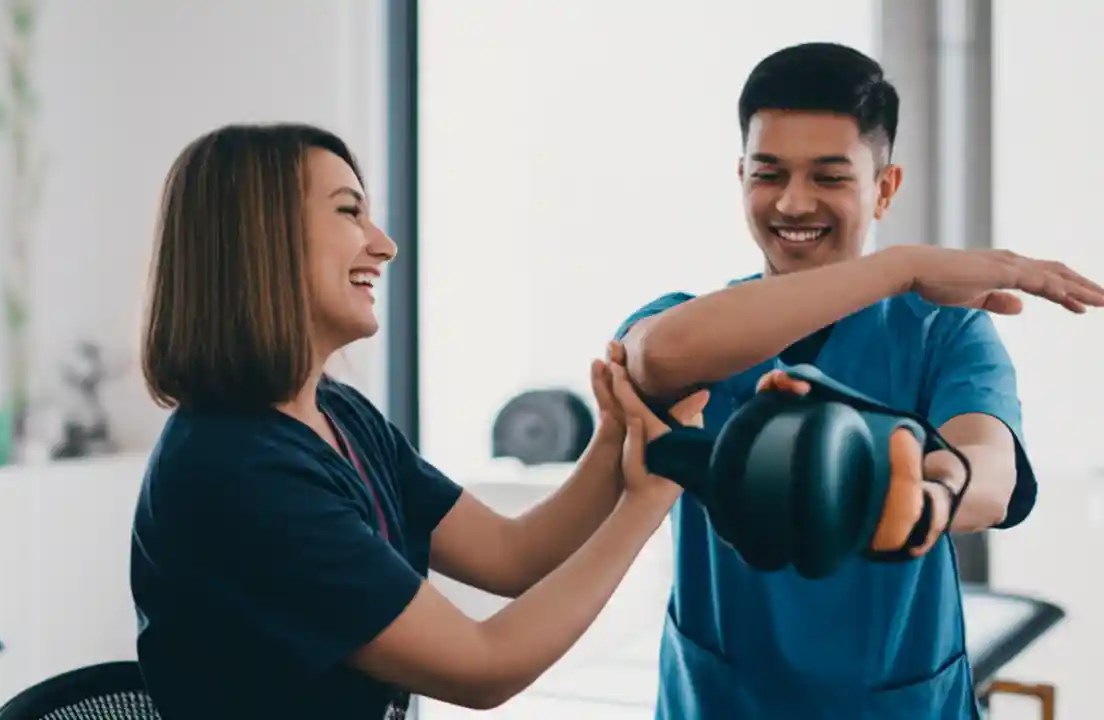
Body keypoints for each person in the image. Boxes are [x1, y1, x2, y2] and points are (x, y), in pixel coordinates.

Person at [129, 123, 704, 719]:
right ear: (261, 241)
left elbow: (514, 555)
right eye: (350, 213)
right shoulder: (237, 472)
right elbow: (483, 669)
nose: (384, 245)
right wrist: (647, 501)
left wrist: (616, 433)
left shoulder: (338, 415)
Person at [615, 42, 1104, 719]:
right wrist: (899, 265)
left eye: (829, 176)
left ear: (886, 187)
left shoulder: (943, 331)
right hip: (722, 699)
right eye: (769, 173)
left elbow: (989, 471)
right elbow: (655, 359)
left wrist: (931, 499)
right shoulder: (687, 323)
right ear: (740, 177)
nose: (792, 201)